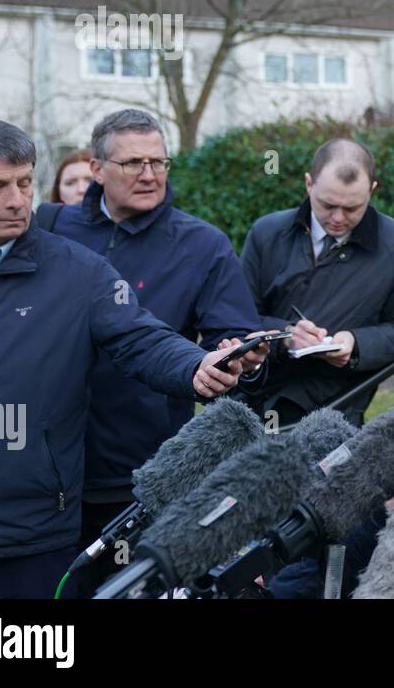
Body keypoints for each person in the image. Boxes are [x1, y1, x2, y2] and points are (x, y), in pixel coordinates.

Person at [0, 119, 264, 598]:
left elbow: (143, 338)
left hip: (28, 540)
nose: (18, 200)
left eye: (24, 183)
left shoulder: (78, 272)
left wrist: (195, 366)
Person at [43, 109, 264, 594]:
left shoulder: (202, 245)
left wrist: (233, 355)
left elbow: (232, 334)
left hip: (143, 473)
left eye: (159, 162)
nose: (149, 174)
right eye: (133, 163)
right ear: (96, 169)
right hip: (48, 472)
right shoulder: (50, 232)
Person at [240, 138, 394, 427]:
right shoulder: (267, 232)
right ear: (308, 184)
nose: (338, 218)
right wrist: (285, 336)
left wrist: (356, 344)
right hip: (255, 397)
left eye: (353, 208)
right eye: (327, 205)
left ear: (372, 191)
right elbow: (237, 317)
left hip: (337, 407)